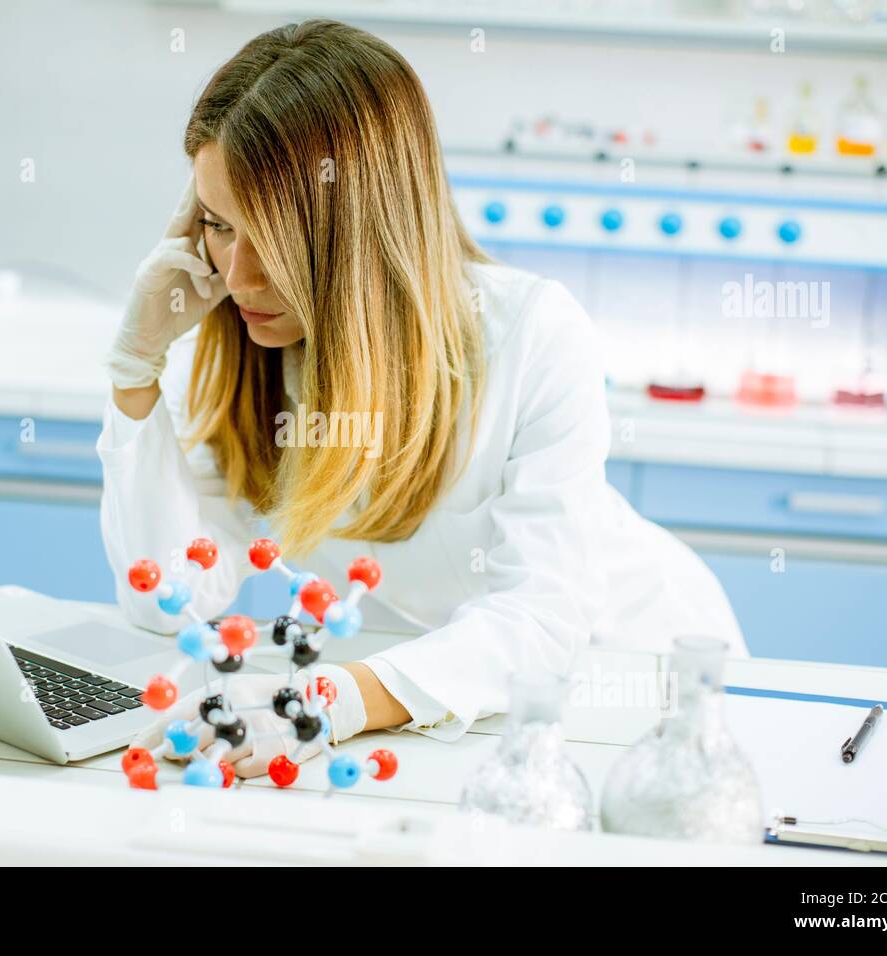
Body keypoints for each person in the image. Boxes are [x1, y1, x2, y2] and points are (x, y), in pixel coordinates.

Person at [99, 19, 743, 779]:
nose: (236, 276)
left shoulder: (532, 333)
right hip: (461, 695)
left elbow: (540, 615)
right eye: (216, 225)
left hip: (636, 675)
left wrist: (330, 699)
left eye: (271, 238)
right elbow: (168, 597)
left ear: (360, 229)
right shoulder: (256, 349)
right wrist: (135, 368)